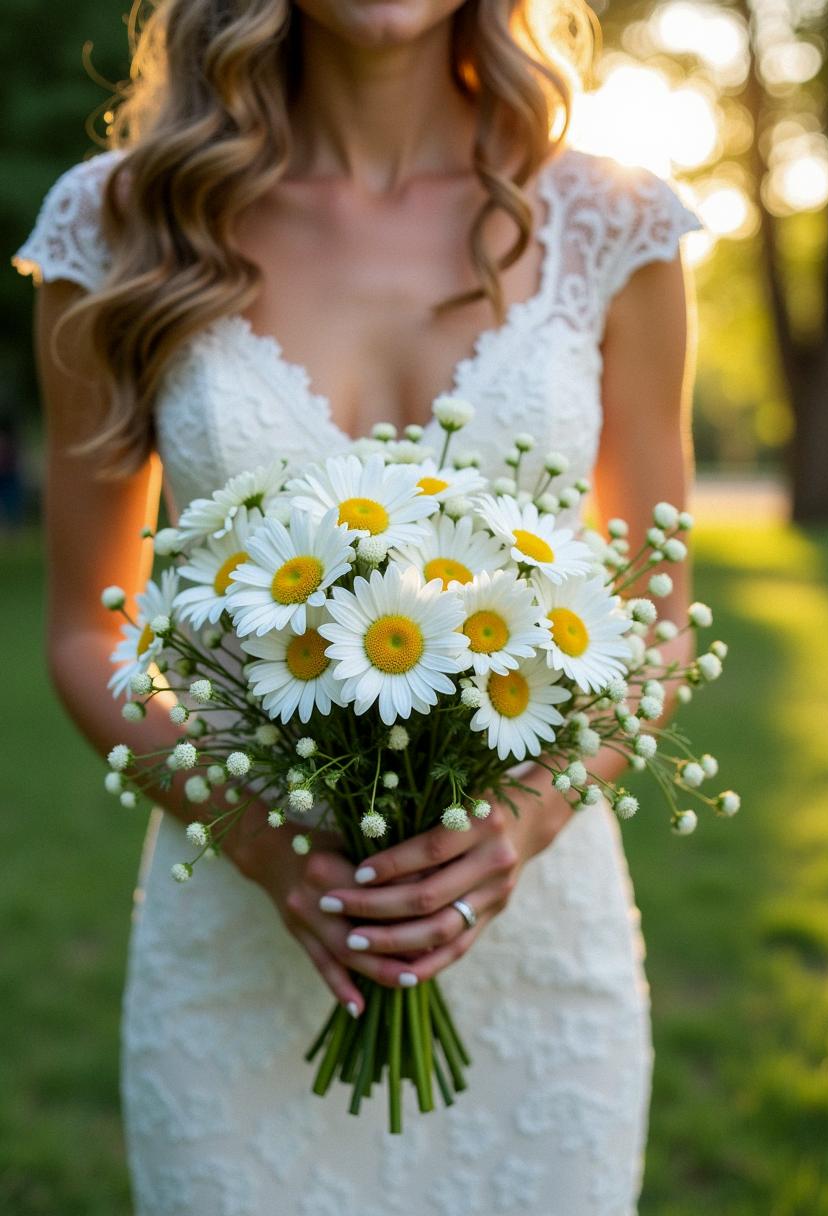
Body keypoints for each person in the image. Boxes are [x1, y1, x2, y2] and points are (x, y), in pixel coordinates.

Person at [13, 1, 704, 1211]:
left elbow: (653, 617)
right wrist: (252, 832)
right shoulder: (121, 224)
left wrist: (528, 814)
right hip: (236, 949)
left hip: (537, 953)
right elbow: (85, 629)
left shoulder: (612, 219)